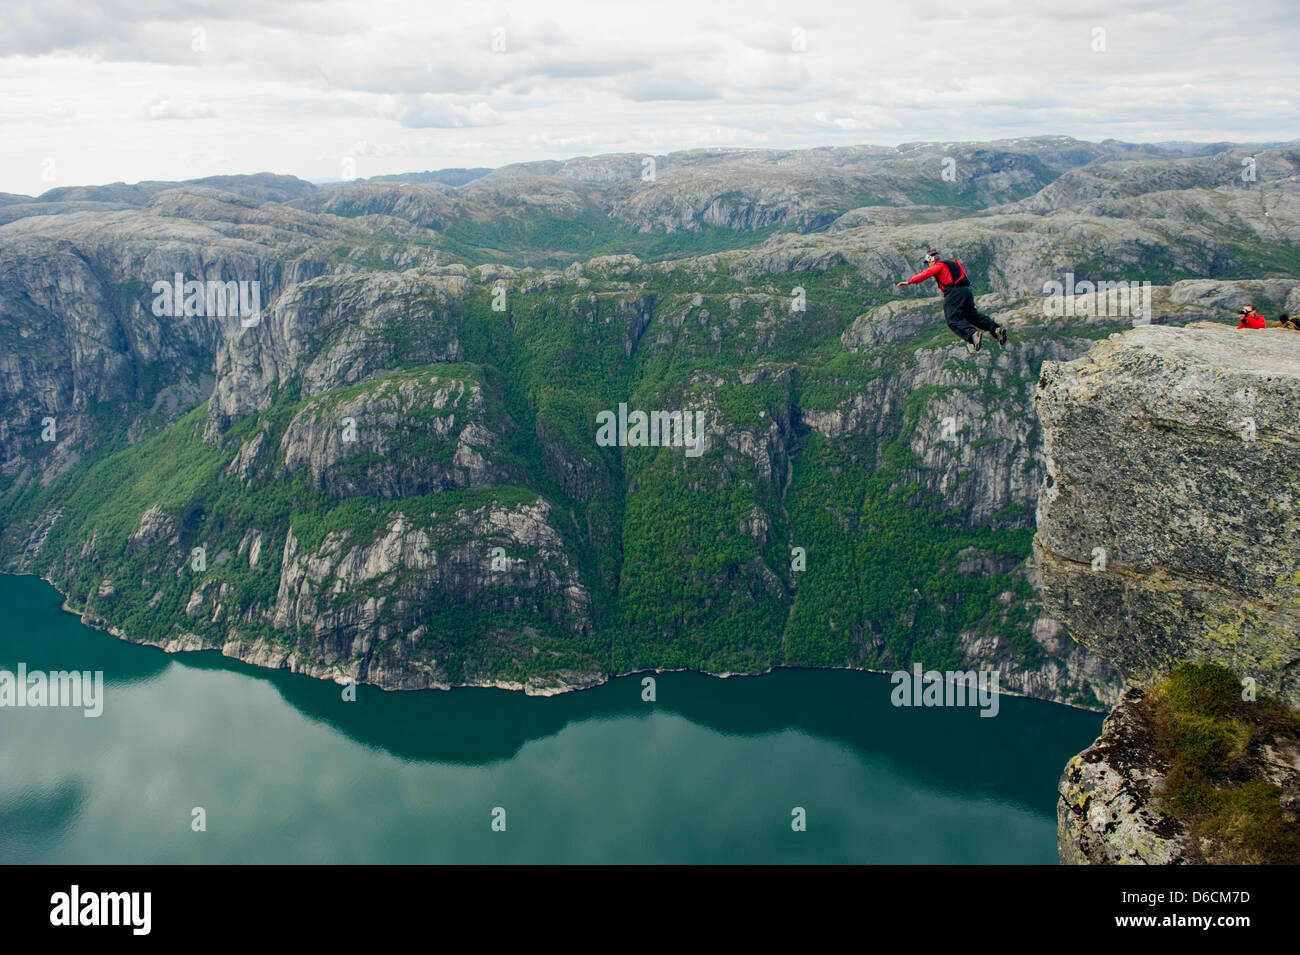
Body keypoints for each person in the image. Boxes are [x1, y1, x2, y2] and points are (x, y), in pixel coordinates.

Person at [896, 250, 1006, 353]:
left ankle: (972, 334)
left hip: (954, 293)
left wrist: (909, 282)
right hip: (966, 291)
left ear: (931, 260)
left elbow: (925, 274)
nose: (928, 265)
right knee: (972, 316)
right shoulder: (954, 263)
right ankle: (996, 329)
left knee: (953, 320)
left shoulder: (939, 266)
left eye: (927, 263)